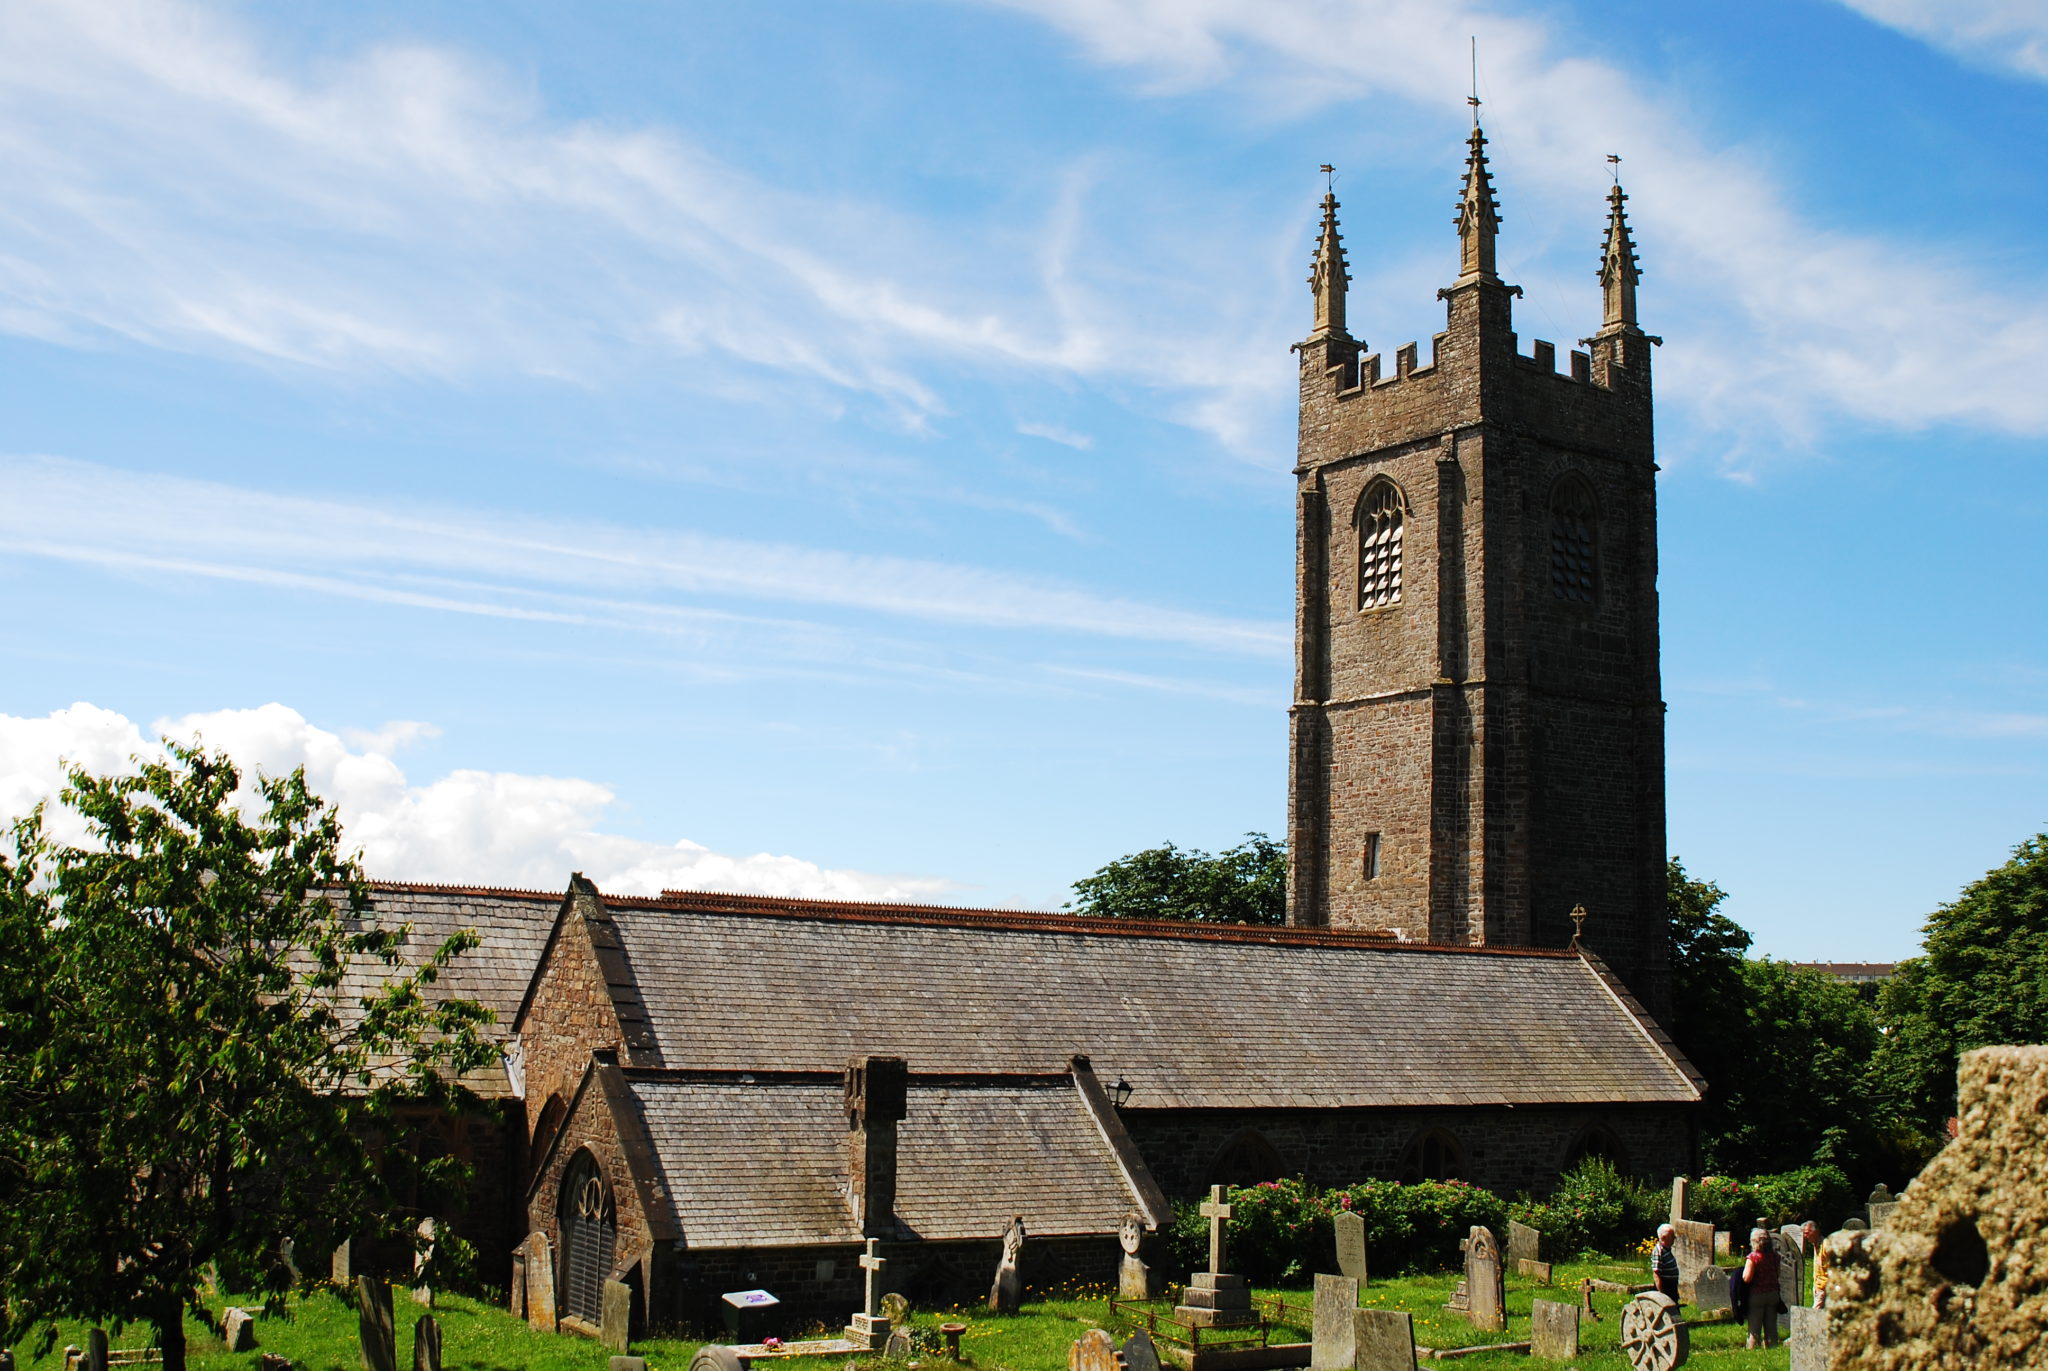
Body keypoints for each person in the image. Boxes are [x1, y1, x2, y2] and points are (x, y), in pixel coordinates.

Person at [1743, 1228, 1784, 1349]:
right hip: (1773, 1293)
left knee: (1754, 1327)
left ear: (1754, 1242)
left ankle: (1753, 1348)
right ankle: (1772, 1347)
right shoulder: (1775, 1256)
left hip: (1757, 1295)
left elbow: (1747, 1278)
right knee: (1771, 1326)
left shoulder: (1753, 1257)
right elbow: (1778, 1274)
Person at [1801, 1220, 1828, 1307]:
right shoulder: (1816, 1244)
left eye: (1807, 1233)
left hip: (1824, 1287)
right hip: (1818, 1286)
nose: (1805, 1236)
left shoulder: (1826, 1245)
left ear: (1815, 1231)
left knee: (1814, 1313)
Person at [1651, 1223, 1681, 1301]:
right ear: (1664, 1237)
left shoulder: (1666, 1249)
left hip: (1672, 1287)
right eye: (1672, 1235)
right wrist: (1661, 1295)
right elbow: (1656, 1274)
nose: (1674, 1237)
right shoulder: (1658, 1251)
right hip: (1665, 1287)